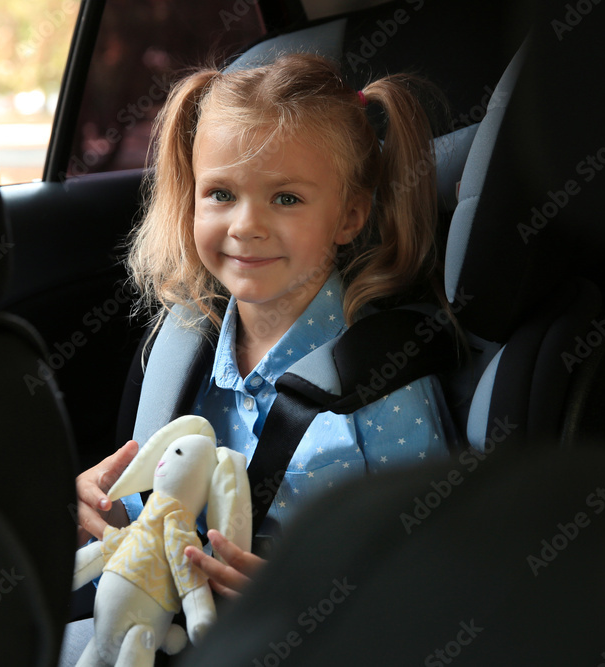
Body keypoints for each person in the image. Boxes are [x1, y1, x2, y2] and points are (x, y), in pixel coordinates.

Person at [71, 51, 456, 644]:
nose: (245, 225)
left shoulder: (385, 385)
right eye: (220, 194)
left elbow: (429, 581)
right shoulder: (184, 347)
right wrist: (107, 511)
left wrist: (309, 601)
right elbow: (158, 523)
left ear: (350, 215)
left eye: (286, 199)